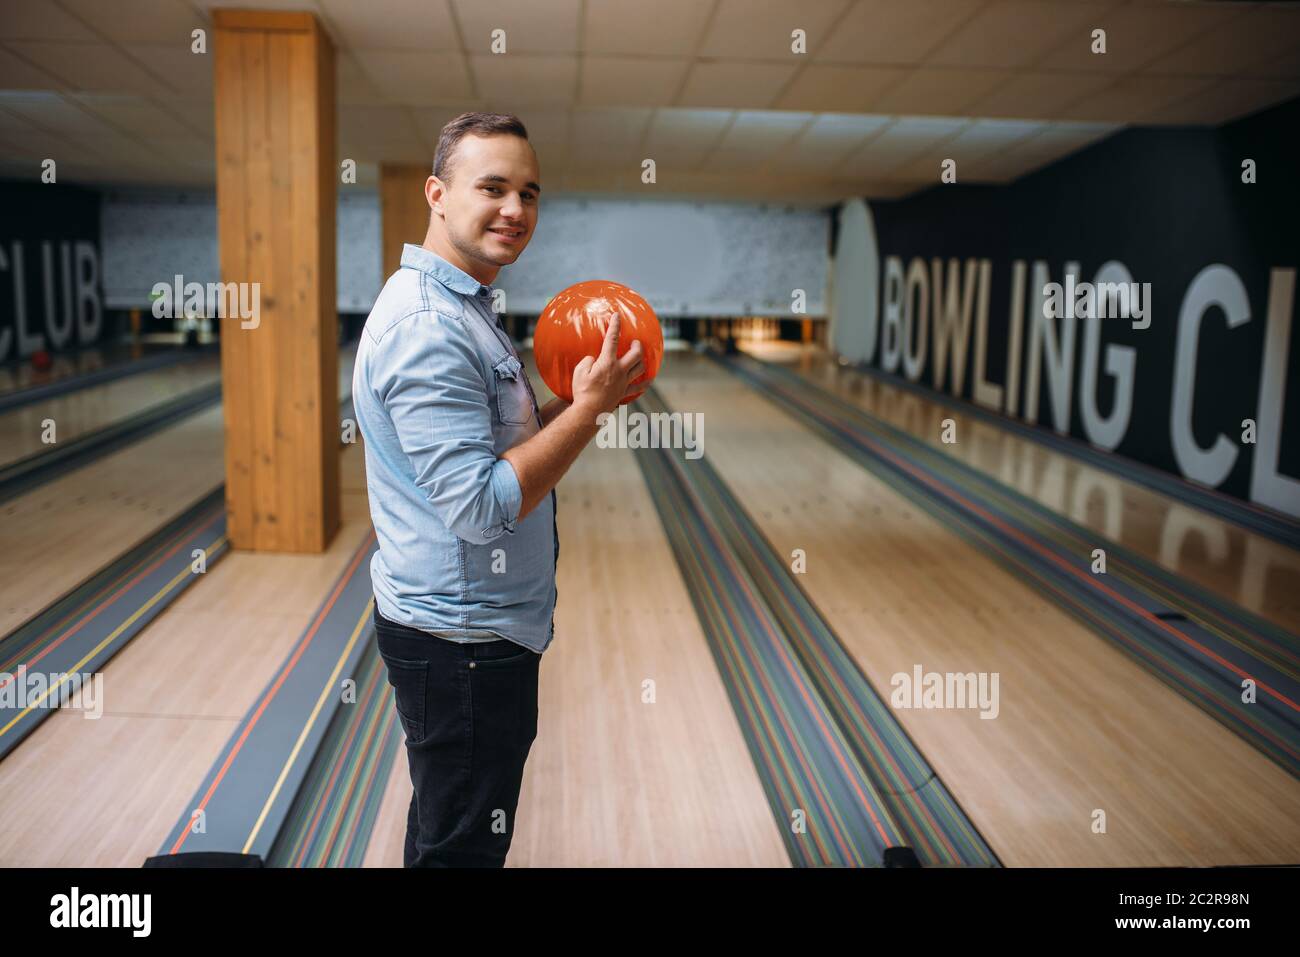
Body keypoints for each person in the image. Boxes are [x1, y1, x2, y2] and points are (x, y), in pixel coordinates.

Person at [352, 112, 646, 867]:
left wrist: (580, 404)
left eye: (529, 192)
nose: (516, 209)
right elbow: (481, 508)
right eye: (492, 187)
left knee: (447, 826)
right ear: (437, 193)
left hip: (472, 632)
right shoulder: (429, 326)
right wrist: (583, 413)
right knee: (461, 850)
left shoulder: (463, 306)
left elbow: (500, 449)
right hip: (464, 643)